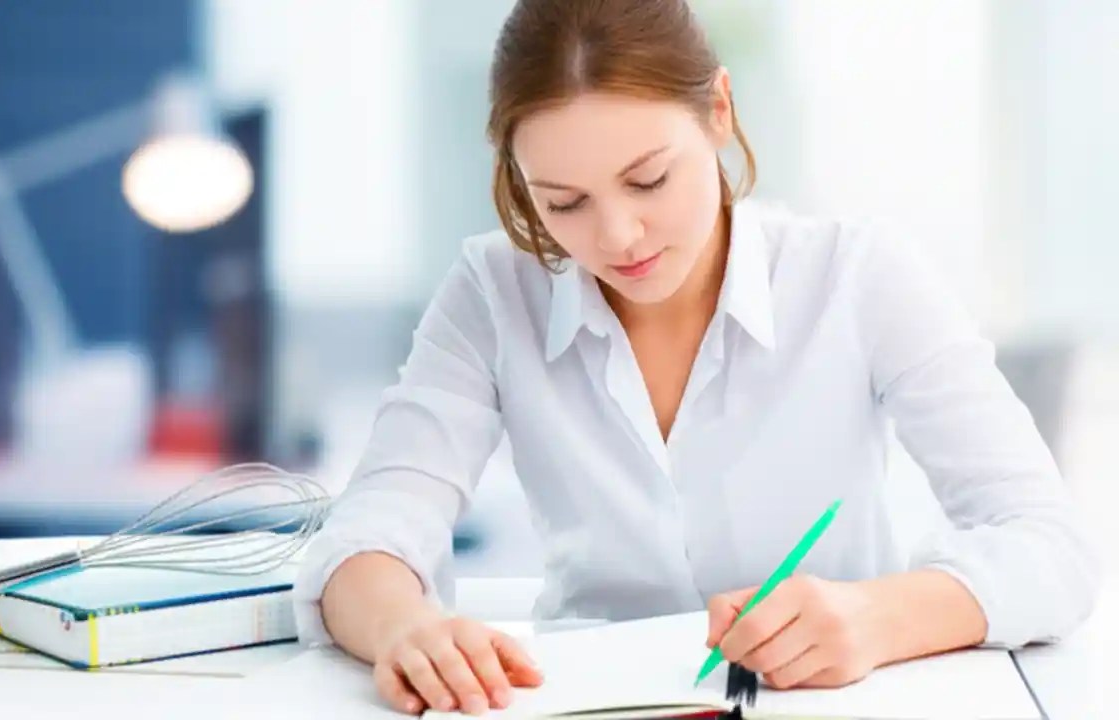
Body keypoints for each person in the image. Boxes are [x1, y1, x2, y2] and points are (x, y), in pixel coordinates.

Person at [292, 0, 1101, 715]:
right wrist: (405, 626)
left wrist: (878, 618)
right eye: (562, 203)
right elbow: (367, 535)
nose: (614, 238)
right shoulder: (491, 292)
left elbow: (1050, 546)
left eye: (647, 180)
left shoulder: (855, 275)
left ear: (718, 109)